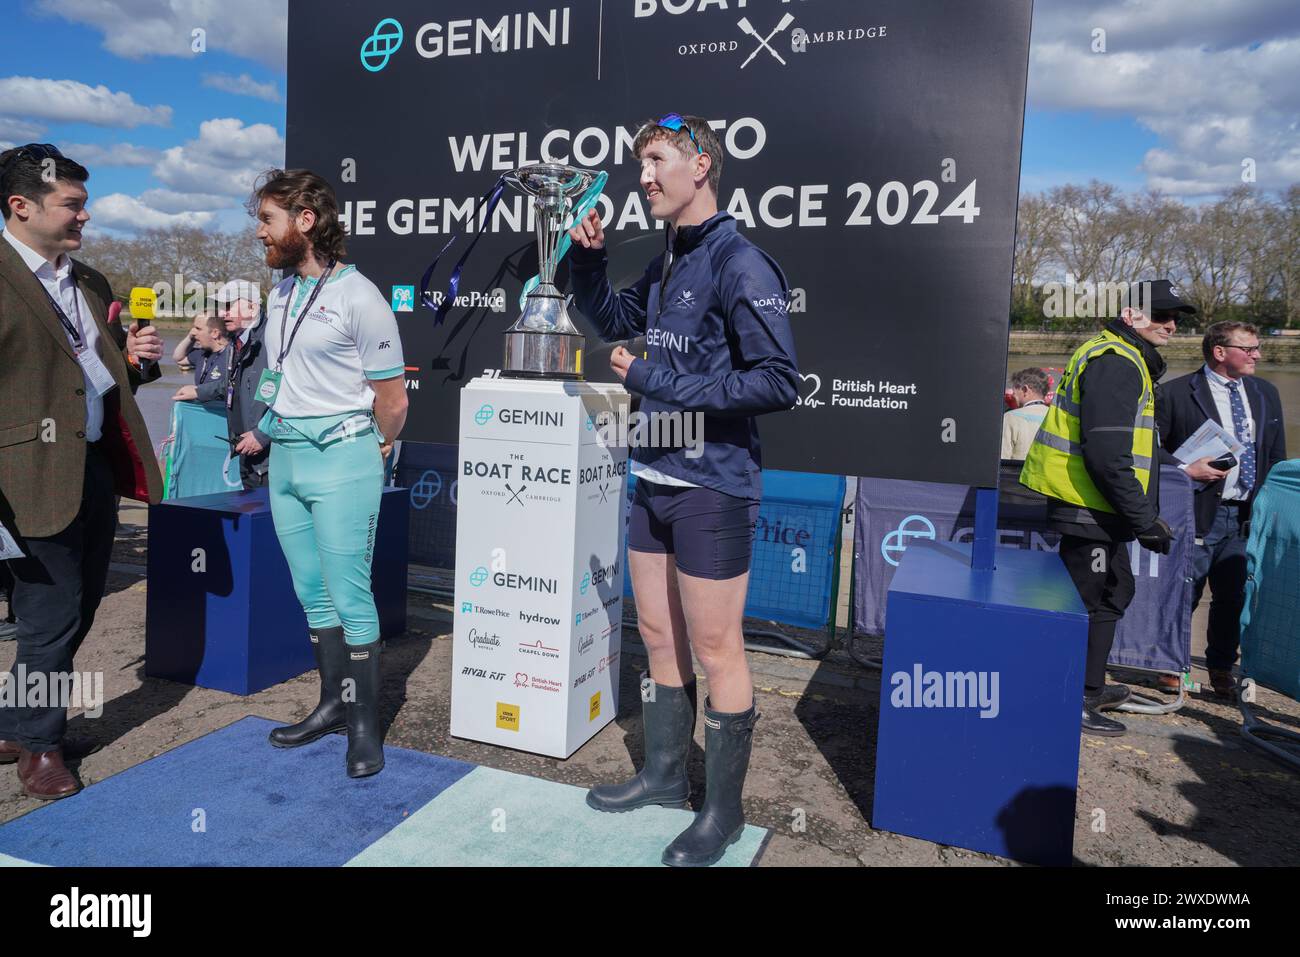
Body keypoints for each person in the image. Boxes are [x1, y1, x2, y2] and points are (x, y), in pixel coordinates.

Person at [568, 114, 799, 866]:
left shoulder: (741, 262)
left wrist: (650, 377)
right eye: (640, 164)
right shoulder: (670, 258)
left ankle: (723, 812)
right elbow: (611, 322)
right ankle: (666, 776)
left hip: (713, 485)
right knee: (660, 636)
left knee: (715, 645)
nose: (642, 177)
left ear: (701, 165)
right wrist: (587, 263)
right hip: (656, 475)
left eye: (656, 160)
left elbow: (777, 381)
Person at [0, 144, 164, 799]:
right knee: (49, 613)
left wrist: (140, 362)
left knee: (77, 607)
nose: (84, 216)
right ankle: (38, 748)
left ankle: (19, 723)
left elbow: (99, 376)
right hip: (24, 478)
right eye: (71, 204)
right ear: (20, 206)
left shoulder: (88, 281)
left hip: (93, 468)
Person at [249, 169, 407, 778]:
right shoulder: (281, 294)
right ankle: (332, 706)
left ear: (305, 221)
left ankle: (366, 726)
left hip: (343, 459)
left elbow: (392, 400)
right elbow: (282, 378)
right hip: (286, 458)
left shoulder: (360, 296)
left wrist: (380, 446)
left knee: (350, 595)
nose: (260, 234)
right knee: (311, 594)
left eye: (267, 220)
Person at [1020, 280, 1189, 737]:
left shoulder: (1120, 353)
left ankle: (1089, 688)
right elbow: (1106, 454)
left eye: (1177, 318)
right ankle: (1069, 698)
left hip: (1095, 505)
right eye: (1162, 315)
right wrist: (1143, 520)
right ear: (1132, 314)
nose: (1172, 325)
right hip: (1088, 505)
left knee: (1112, 592)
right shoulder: (1117, 362)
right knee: (1089, 601)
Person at [1156, 321, 1287, 697]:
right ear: (1219, 352)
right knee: (1186, 590)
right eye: (1249, 348)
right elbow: (1149, 449)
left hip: (1246, 514)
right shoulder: (1176, 393)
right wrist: (1185, 470)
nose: (1257, 355)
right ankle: (1170, 665)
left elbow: (1275, 455)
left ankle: (1219, 668)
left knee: (1233, 595)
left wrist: (1270, 505)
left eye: (1257, 347)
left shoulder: (1265, 392)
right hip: (1196, 509)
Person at [213, 280, 271, 490]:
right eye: (220, 306)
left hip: (271, 458)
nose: (222, 313)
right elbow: (230, 385)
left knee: (270, 519)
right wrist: (199, 391)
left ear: (252, 307)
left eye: (228, 305)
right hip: (246, 451)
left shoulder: (271, 339)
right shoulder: (236, 341)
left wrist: (263, 435)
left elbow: (290, 394)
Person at [172, 315, 230, 398]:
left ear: (215, 333)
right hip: (204, 407)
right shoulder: (202, 353)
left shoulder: (232, 354)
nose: (193, 332)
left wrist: (198, 392)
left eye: (198, 329)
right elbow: (178, 358)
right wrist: (190, 338)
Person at [1001, 367, 1051, 460]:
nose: (1013, 396)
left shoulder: (1010, 418)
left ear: (1024, 390)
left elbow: (1002, 458)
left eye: (1015, 392)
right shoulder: (1057, 416)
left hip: (1019, 473)